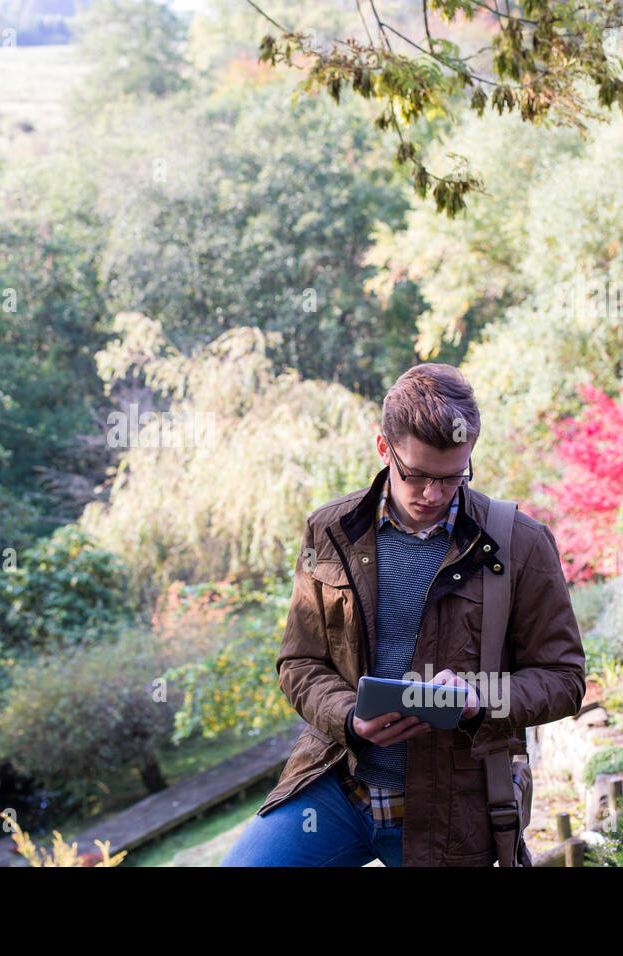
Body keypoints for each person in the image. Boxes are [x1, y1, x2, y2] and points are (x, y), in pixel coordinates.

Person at [221, 363, 586, 867]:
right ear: (383, 449)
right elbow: (299, 664)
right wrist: (348, 717)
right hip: (337, 783)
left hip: (454, 812)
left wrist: (481, 698)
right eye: (415, 475)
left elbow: (564, 680)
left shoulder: (521, 543)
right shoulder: (329, 531)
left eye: (452, 476)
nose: (433, 495)